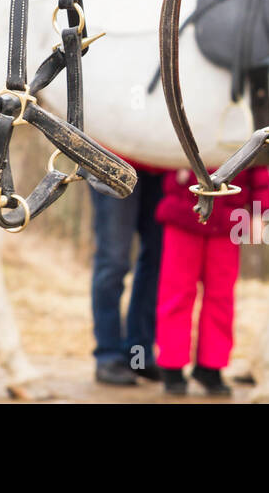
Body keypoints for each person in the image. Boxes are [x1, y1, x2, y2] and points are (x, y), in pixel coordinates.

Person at [154, 165, 269, 396]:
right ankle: (172, 365)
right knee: (176, 293)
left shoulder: (247, 128)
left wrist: (261, 213)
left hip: (228, 222)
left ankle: (211, 366)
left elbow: (260, 168)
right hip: (184, 213)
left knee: (221, 297)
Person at [91, 164, 165, 385]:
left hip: (161, 164)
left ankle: (138, 358)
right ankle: (108, 356)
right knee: (114, 261)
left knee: (156, 259)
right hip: (111, 159)